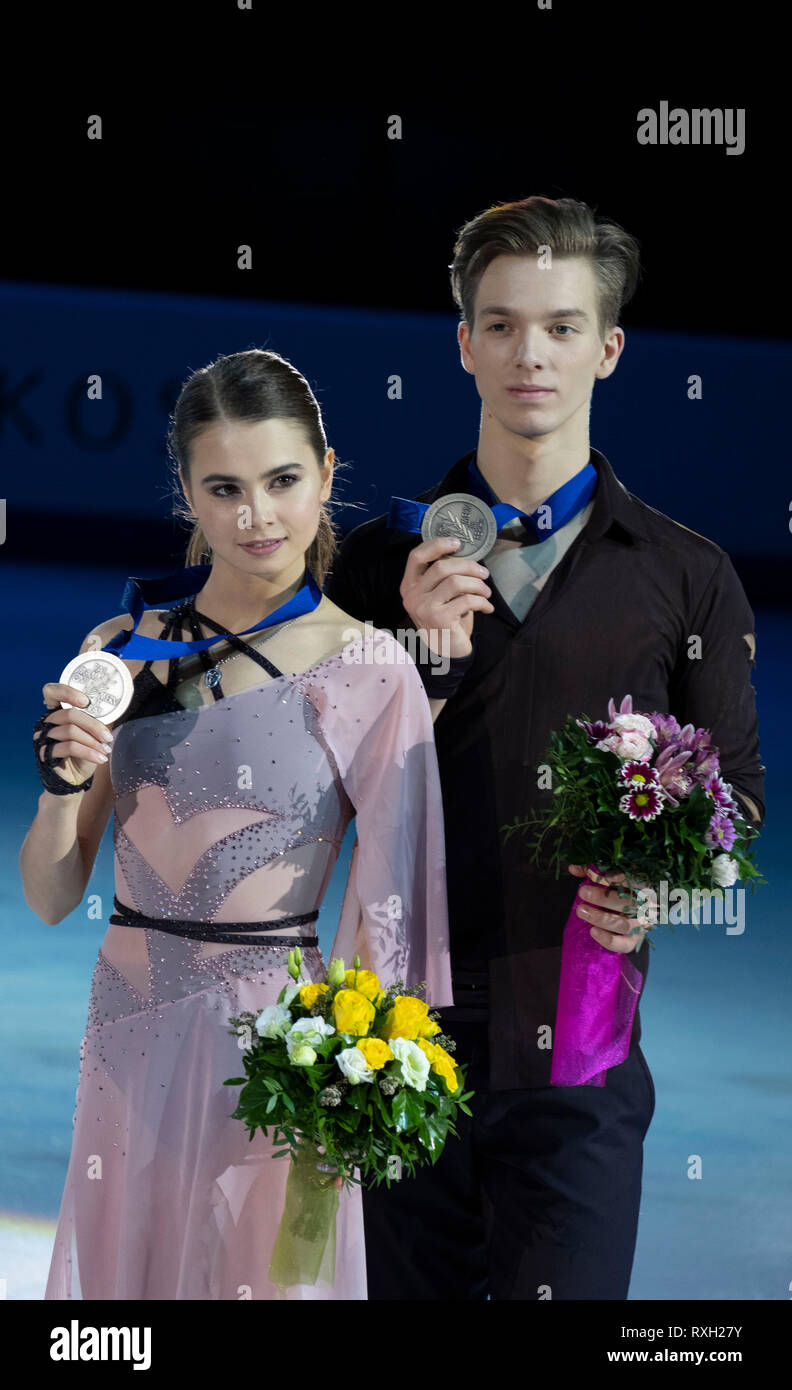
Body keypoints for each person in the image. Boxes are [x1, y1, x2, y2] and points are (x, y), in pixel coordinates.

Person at [323, 195, 766, 1300]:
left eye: (564, 326)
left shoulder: (684, 573)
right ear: (464, 340)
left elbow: (738, 795)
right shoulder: (375, 564)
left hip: (581, 1058)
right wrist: (420, 660)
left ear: (608, 349)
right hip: (388, 1043)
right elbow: (312, 790)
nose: (533, 353)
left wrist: (663, 889)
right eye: (505, 323)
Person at [20, 348, 452, 1300]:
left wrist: (356, 1079)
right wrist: (59, 787)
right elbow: (53, 895)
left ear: (328, 476)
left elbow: (394, 918)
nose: (257, 516)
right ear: (187, 495)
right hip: (127, 1028)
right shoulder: (121, 650)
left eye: (283, 481)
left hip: (278, 1052)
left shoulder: (372, 673)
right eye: (225, 488)